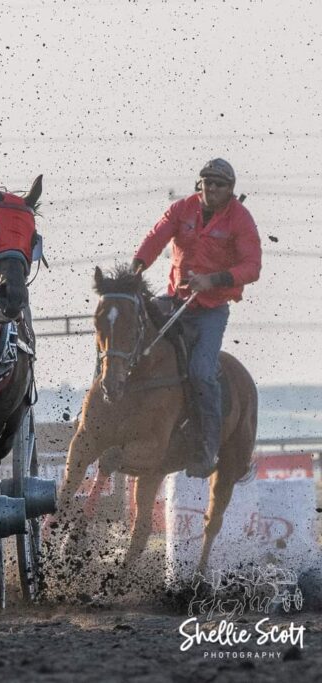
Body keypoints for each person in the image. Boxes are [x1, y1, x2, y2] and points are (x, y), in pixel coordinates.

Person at [131, 159, 261, 477]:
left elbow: (252, 267)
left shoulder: (241, 219)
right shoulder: (182, 209)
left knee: (201, 372)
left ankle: (207, 447)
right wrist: (137, 266)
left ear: (230, 190)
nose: (212, 188)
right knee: (128, 335)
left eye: (219, 184)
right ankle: (106, 413)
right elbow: (156, 237)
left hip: (210, 312)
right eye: (207, 182)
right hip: (174, 301)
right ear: (199, 184)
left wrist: (214, 280)